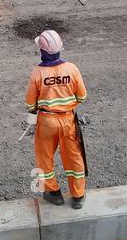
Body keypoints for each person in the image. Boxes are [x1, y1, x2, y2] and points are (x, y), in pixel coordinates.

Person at [25, 29, 87, 209]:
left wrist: (36, 109)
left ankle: (52, 192)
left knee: (44, 157)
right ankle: (78, 195)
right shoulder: (72, 68)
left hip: (46, 121)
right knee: (74, 157)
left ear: (42, 51)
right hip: (68, 121)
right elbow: (82, 97)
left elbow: (30, 104)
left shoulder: (37, 73)